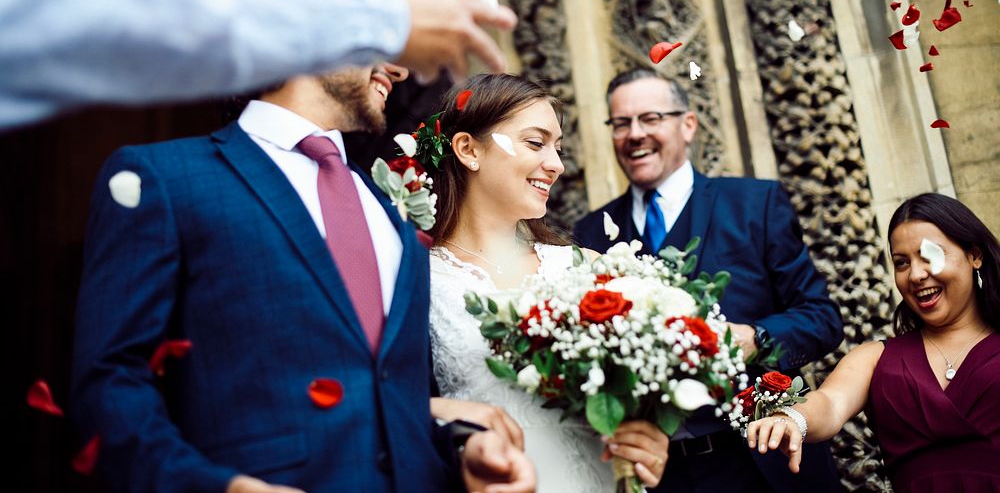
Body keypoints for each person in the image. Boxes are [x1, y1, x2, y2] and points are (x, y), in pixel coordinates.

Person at [70, 59, 535, 493]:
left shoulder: (391, 209)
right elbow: (110, 382)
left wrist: (458, 451)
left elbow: (384, 388)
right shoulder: (165, 178)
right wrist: (217, 487)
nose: (396, 67)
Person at [573, 68, 842, 492]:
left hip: (764, 462)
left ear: (688, 124)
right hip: (660, 477)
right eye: (621, 123)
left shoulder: (756, 203)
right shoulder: (590, 233)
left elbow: (823, 319)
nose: (634, 134)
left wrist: (756, 337)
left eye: (650, 118)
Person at [0, 0, 515, 131]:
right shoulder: (173, 185)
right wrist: (382, 17)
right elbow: (111, 9)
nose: (398, 71)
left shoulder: (385, 212)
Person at [425, 73, 670, 492]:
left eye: (558, 148)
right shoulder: (417, 279)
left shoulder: (585, 267)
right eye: (536, 143)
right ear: (468, 150)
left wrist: (649, 433)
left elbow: (638, 388)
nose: (556, 164)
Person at [748, 193, 1000, 492]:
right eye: (902, 263)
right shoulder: (875, 358)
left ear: (974, 255)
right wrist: (792, 418)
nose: (916, 275)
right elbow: (829, 403)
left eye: (929, 255)